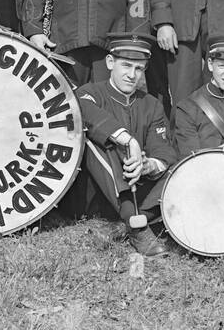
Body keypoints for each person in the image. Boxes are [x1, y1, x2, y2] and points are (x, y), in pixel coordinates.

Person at [71, 34, 178, 257]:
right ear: (110, 63)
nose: (132, 75)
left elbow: (163, 150)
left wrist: (150, 165)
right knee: (99, 139)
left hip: (139, 190)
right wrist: (128, 140)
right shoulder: (89, 92)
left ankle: (127, 222)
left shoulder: (152, 104)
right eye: (126, 66)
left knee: (179, 169)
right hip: (95, 197)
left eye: (139, 68)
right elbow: (80, 107)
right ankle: (137, 227)